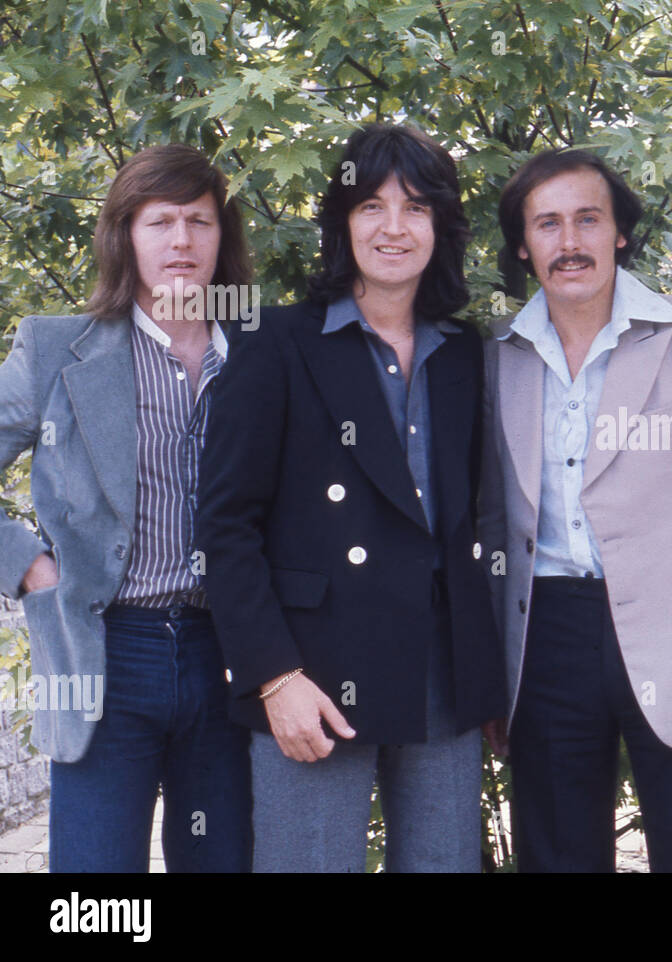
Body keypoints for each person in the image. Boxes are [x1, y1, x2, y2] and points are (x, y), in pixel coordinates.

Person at [196, 123, 505, 872]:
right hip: (314, 673)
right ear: (340, 225)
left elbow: (478, 522)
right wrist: (273, 676)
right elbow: (224, 526)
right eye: (370, 206)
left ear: (442, 227)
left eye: (416, 208)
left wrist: (489, 677)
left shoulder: (468, 352)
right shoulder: (274, 343)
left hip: (443, 670)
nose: (393, 228)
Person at [479, 149, 672, 872]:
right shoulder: (496, 355)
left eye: (588, 219)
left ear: (619, 233)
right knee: (558, 860)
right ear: (523, 245)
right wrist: (491, 672)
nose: (569, 241)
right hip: (544, 639)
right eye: (546, 224)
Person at [0, 144, 254, 871]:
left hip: (229, 655)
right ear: (124, 236)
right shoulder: (57, 351)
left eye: (200, 223)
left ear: (221, 238)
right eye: (160, 222)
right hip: (103, 651)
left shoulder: (261, 350)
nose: (182, 241)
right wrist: (31, 569)